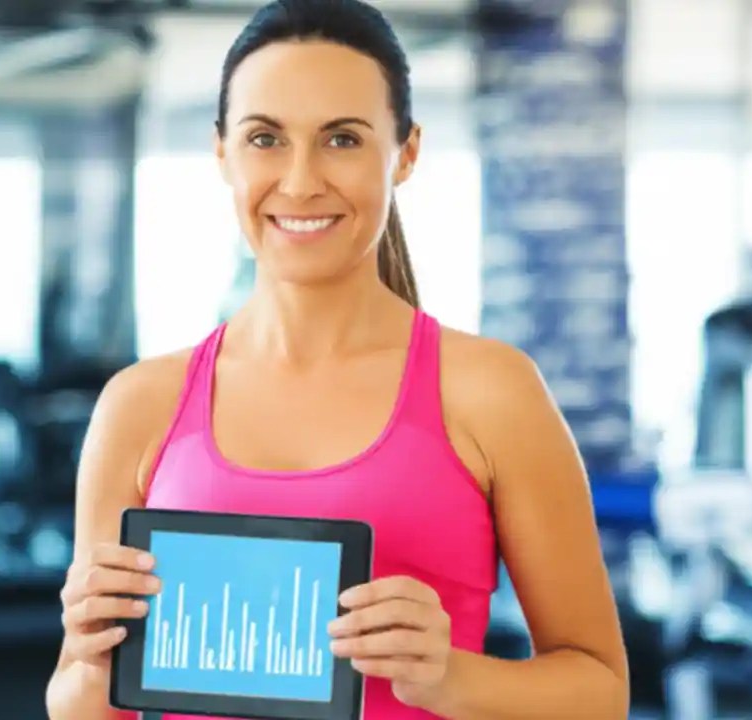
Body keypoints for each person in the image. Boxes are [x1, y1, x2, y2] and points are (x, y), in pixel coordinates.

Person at [47, 0, 629, 717]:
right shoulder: (139, 403)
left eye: (342, 140)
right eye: (265, 138)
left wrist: (448, 678)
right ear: (221, 152)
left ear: (406, 153)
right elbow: (81, 701)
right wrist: (86, 654)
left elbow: (600, 692)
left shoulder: (488, 391)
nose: (300, 181)